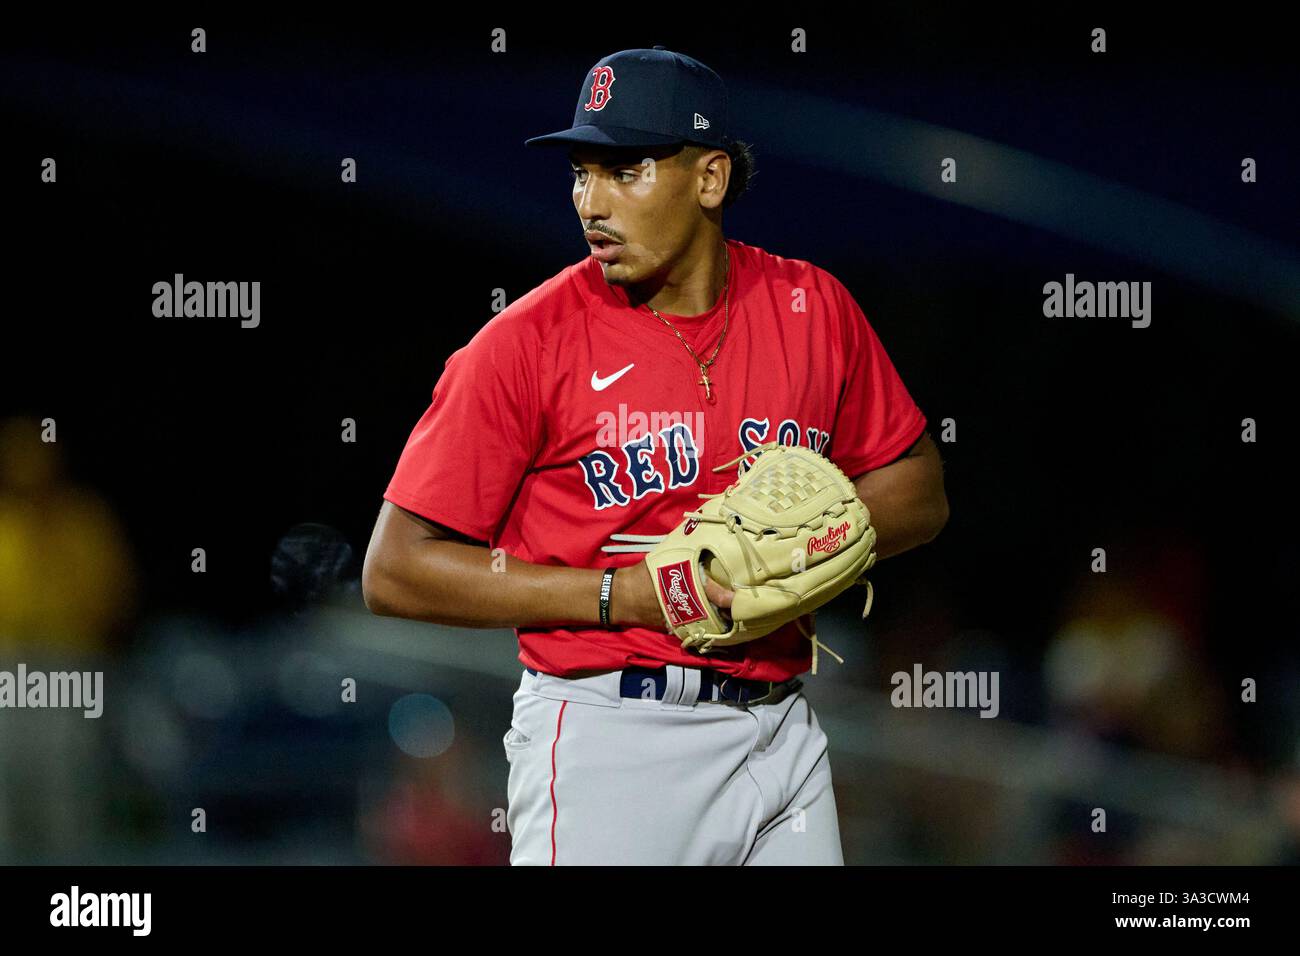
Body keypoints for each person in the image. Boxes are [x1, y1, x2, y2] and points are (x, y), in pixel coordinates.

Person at [363, 47, 949, 865]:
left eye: (625, 170)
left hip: (783, 725)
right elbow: (394, 569)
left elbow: (919, 486)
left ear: (710, 179)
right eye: (580, 173)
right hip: (612, 733)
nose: (591, 203)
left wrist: (817, 540)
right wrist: (622, 597)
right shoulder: (524, 345)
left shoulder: (813, 307)